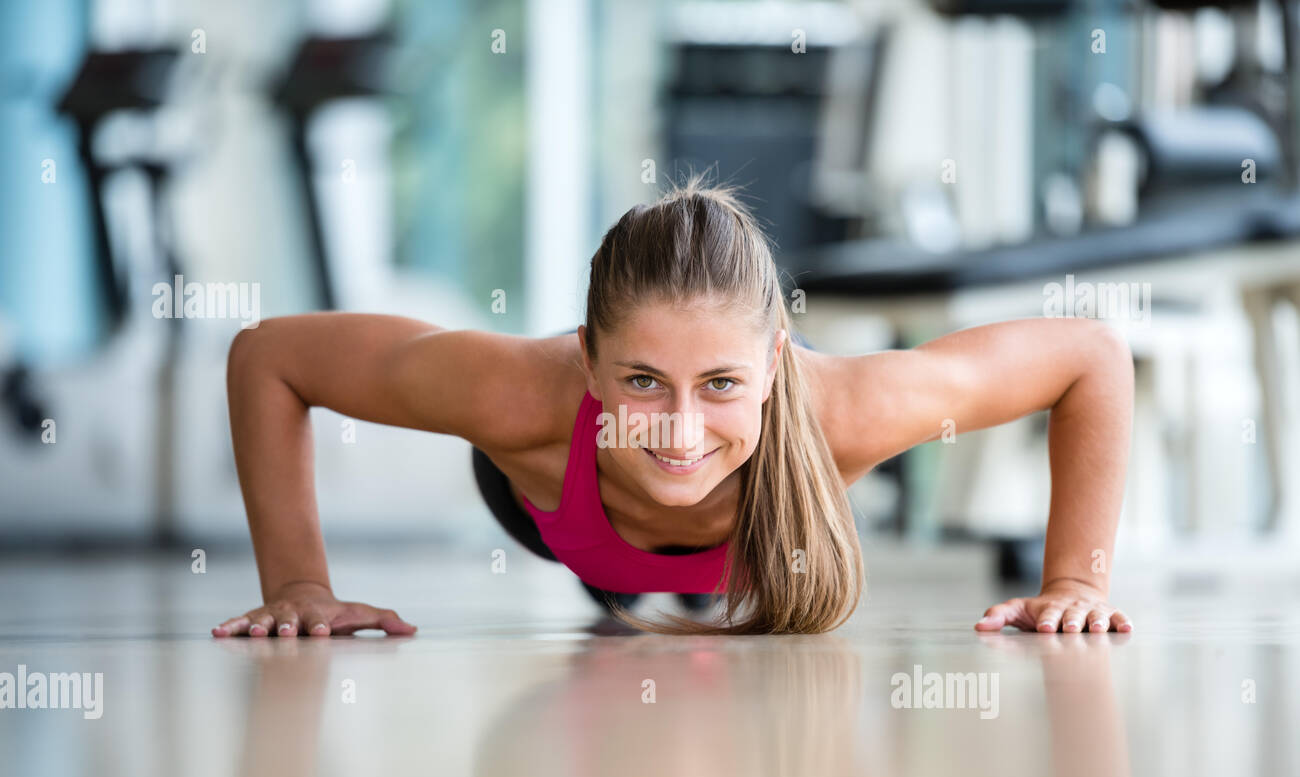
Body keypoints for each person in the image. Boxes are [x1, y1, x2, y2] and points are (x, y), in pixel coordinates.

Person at [212, 172, 1134, 638]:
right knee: (622, 594)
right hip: (554, 513)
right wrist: (299, 587)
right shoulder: (514, 395)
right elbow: (269, 358)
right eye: (643, 380)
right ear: (587, 357)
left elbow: (1089, 358)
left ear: (776, 364)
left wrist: (1077, 583)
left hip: (765, 513)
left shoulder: (848, 407)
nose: (682, 429)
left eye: (722, 384)